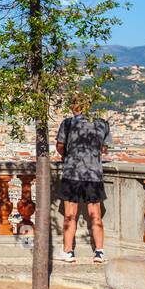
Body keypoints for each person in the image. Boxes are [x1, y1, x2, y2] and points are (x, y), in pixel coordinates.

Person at [55, 94, 112, 264]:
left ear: (74, 106)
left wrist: (68, 155)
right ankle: (99, 252)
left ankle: (68, 252)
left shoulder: (67, 124)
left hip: (72, 173)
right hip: (93, 174)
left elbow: (60, 146)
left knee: (70, 215)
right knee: (95, 215)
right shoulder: (103, 124)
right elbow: (104, 149)